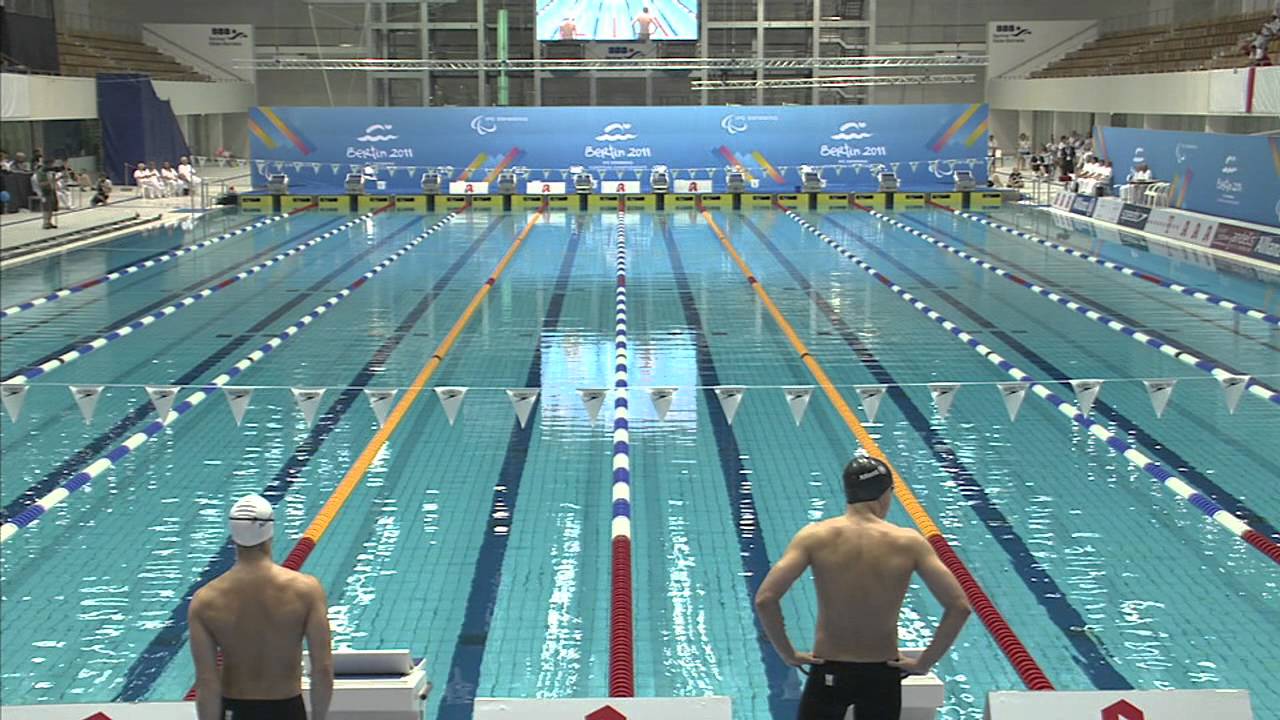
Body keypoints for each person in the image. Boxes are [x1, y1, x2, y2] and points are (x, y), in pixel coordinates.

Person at [755, 455, 971, 720]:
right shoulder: (908, 542)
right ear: (885, 493)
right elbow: (959, 607)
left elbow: (766, 599)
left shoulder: (814, 536)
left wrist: (788, 654)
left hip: (828, 669)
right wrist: (924, 662)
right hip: (882, 674)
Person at [189, 494, 333, 720]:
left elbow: (207, 682)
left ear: (233, 536)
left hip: (235, 711)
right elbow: (322, 669)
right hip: (287, 710)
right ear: (270, 532)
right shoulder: (306, 590)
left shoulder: (205, 599)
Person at [1248, 1, 1280, 66]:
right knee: (1257, 43)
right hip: (1268, 31)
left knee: (1259, 45)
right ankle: (1256, 59)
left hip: (1271, 32)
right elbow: (1274, 15)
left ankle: (1259, 59)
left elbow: (1274, 31)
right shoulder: (1277, 2)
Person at [31, 163, 59, 229]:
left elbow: (50, 182)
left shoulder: (47, 174)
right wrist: (51, 180)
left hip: (50, 191)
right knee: (46, 208)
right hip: (43, 192)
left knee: (51, 207)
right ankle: (45, 223)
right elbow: (42, 184)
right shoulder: (37, 176)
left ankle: (49, 222)